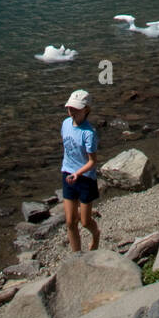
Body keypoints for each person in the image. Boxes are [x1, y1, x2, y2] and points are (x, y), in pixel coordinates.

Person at [61, 89, 101, 252]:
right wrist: (71, 172)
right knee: (70, 221)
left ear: (86, 110)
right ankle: (76, 255)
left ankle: (96, 234)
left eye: (76, 109)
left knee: (85, 221)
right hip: (67, 174)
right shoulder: (65, 124)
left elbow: (92, 161)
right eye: (70, 108)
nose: (72, 112)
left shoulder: (89, 133)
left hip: (85, 179)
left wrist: (78, 173)